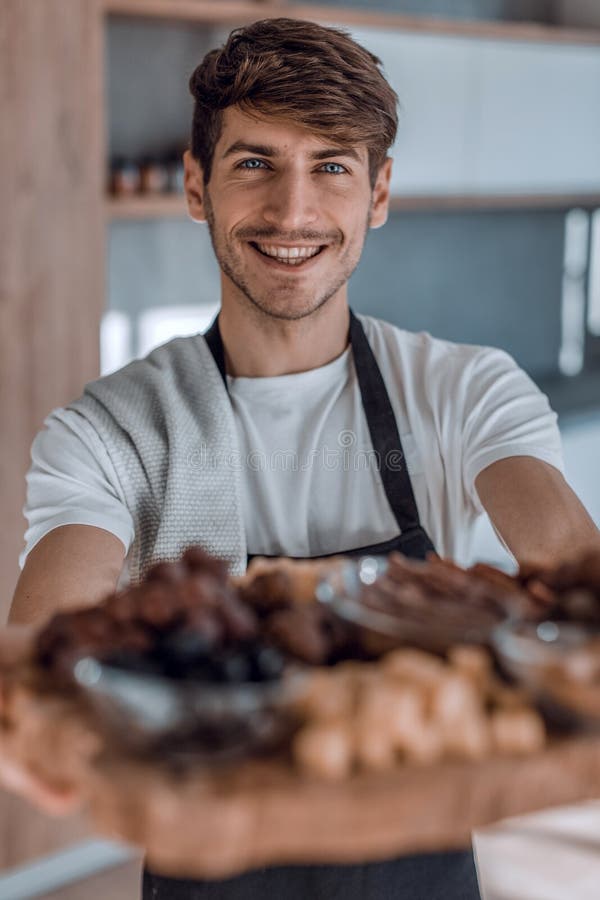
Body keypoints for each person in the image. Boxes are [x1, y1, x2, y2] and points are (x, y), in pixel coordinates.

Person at [5, 16, 600, 900]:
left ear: (379, 192)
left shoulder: (465, 391)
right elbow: (48, 628)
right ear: (197, 185)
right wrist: (32, 710)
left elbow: (567, 561)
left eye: (331, 166)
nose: (293, 213)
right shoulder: (111, 431)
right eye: (256, 164)